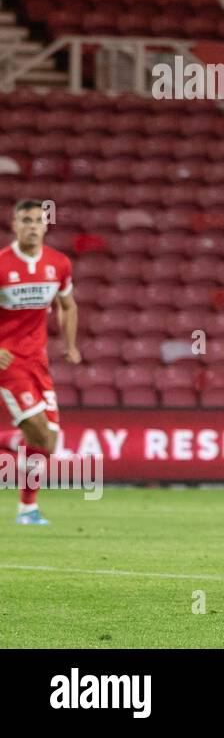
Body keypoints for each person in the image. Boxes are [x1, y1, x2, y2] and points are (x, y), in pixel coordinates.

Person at [0, 199, 80, 526]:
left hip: (38, 362)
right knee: (37, 431)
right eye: (26, 220)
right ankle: (27, 508)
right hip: (8, 363)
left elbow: (68, 305)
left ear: (46, 225)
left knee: (47, 441)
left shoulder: (58, 264)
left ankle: (27, 509)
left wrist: (70, 345)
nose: (33, 225)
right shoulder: (2, 265)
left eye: (38, 220)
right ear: (15, 226)